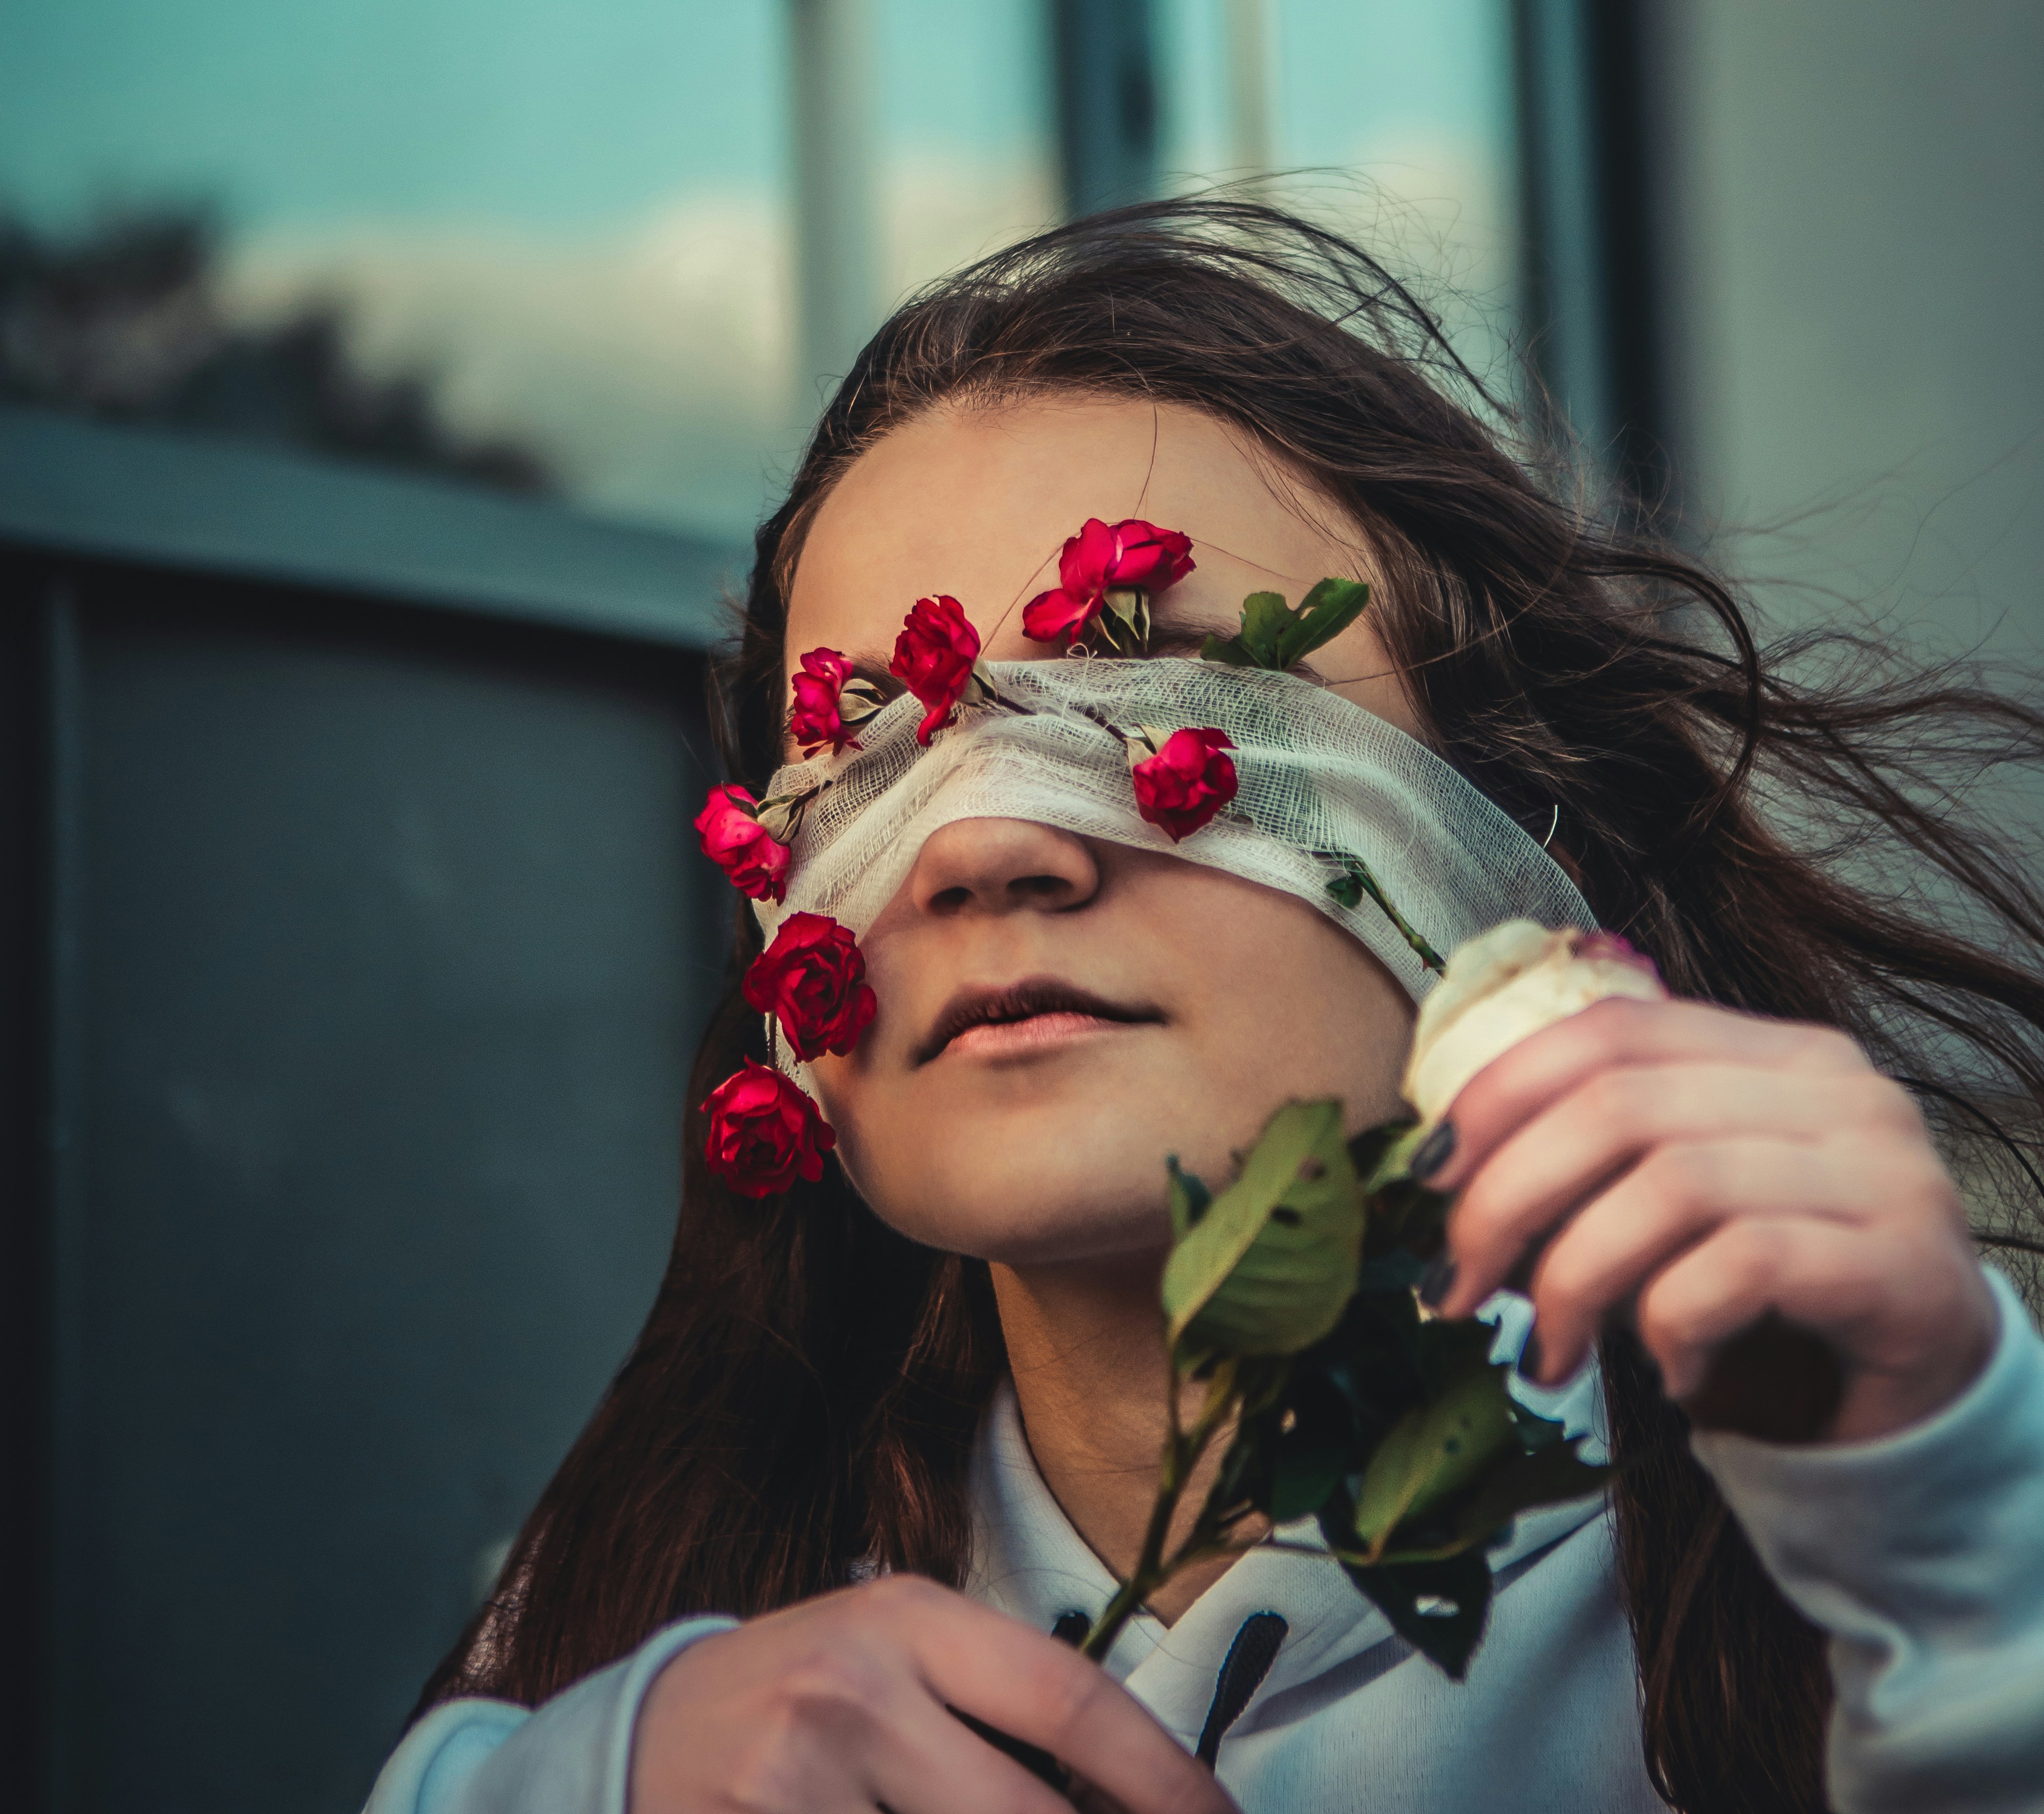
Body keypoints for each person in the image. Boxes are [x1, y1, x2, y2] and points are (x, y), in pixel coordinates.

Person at [365, 204, 2044, 1814]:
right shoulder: (640, 1623)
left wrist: (1967, 1567)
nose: (982, 847)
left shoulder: (1894, 1556)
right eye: (864, 740)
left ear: (1515, 848)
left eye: (1170, 689)